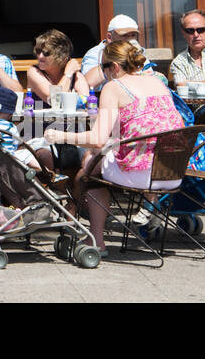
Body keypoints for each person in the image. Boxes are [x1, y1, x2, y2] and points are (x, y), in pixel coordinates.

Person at [45, 40, 184, 255]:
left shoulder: (113, 87)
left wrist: (59, 135)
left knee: (88, 171)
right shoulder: (156, 82)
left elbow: (98, 139)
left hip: (143, 174)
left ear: (115, 67)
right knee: (96, 159)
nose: (103, 74)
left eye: (103, 68)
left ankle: (96, 242)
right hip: (172, 171)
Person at [80, 14, 141, 88]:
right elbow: (89, 83)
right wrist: (110, 61)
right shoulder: (95, 53)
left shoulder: (135, 50)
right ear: (109, 37)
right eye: (125, 36)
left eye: (133, 35)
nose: (130, 40)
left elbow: (148, 74)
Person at [27, 29, 86, 104]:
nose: (40, 56)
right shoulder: (34, 72)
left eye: (46, 53)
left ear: (61, 56)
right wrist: (67, 75)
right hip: (39, 116)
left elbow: (86, 102)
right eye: (38, 51)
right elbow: (55, 101)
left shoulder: (75, 75)